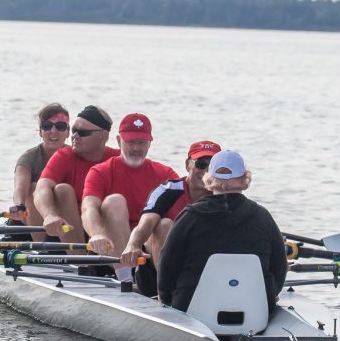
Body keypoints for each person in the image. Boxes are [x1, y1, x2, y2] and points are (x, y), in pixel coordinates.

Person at [157, 150, 286, 313]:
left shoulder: (189, 217)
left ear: (209, 178)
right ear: (245, 179)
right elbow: (280, 267)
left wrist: (166, 300)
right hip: (253, 310)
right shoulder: (263, 217)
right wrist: (270, 294)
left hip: (192, 309)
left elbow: (167, 265)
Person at [80, 113, 179, 282]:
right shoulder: (100, 172)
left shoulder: (166, 174)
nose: (136, 148)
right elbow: (88, 207)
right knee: (114, 201)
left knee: (166, 224)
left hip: (147, 246)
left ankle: (167, 288)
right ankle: (126, 279)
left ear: (149, 144)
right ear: (119, 141)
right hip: (111, 247)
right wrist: (95, 234)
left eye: (141, 143)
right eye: (130, 142)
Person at [121, 140, 221, 292]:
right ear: (188, 165)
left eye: (211, 166)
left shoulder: (221, 196)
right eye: (200, 164)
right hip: (154, 275)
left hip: (199, 264)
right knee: (164, 224)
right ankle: (167, 292)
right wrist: (133, 244)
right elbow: (145, 224)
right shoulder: (169, 190)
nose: (205, 171)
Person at [33, 106, 120, 245]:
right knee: (63, 190)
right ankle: (81, 261)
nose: (74, 136)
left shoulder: (117, 159)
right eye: (74, 130)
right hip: (66, 233)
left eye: (83, 132)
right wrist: (50, 215)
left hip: (105, 233)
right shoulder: (64, 156)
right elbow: (41, 188)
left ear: (103, 136)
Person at [10, 103, 70, 241]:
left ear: (67, 132)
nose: (53, 131)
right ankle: (42, 244)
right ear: (40, 132)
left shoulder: (76, 156)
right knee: (35, 187)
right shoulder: (29, 157)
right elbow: (20, 187)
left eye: (60, 126)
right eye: (47, 126)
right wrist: (18, 205)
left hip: (66, 220)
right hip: (30, 221)